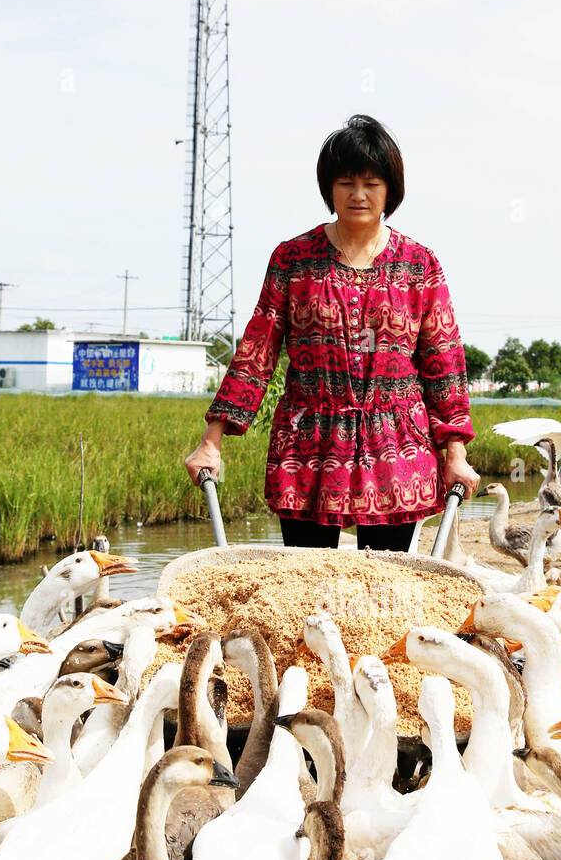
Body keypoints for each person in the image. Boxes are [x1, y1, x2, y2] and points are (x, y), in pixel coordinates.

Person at [184, 114, 479, 551]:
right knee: (308, 586)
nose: (358, 195)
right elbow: (257, 350)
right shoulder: (293, 259)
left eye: (371, 183)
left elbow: (444, 364)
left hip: (395, 444)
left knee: (385, 587)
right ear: (329, 188)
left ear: (390, 189)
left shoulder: (419, 265)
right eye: (345, 182)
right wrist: (211, 441)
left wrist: (455, 452)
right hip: (308, 444)